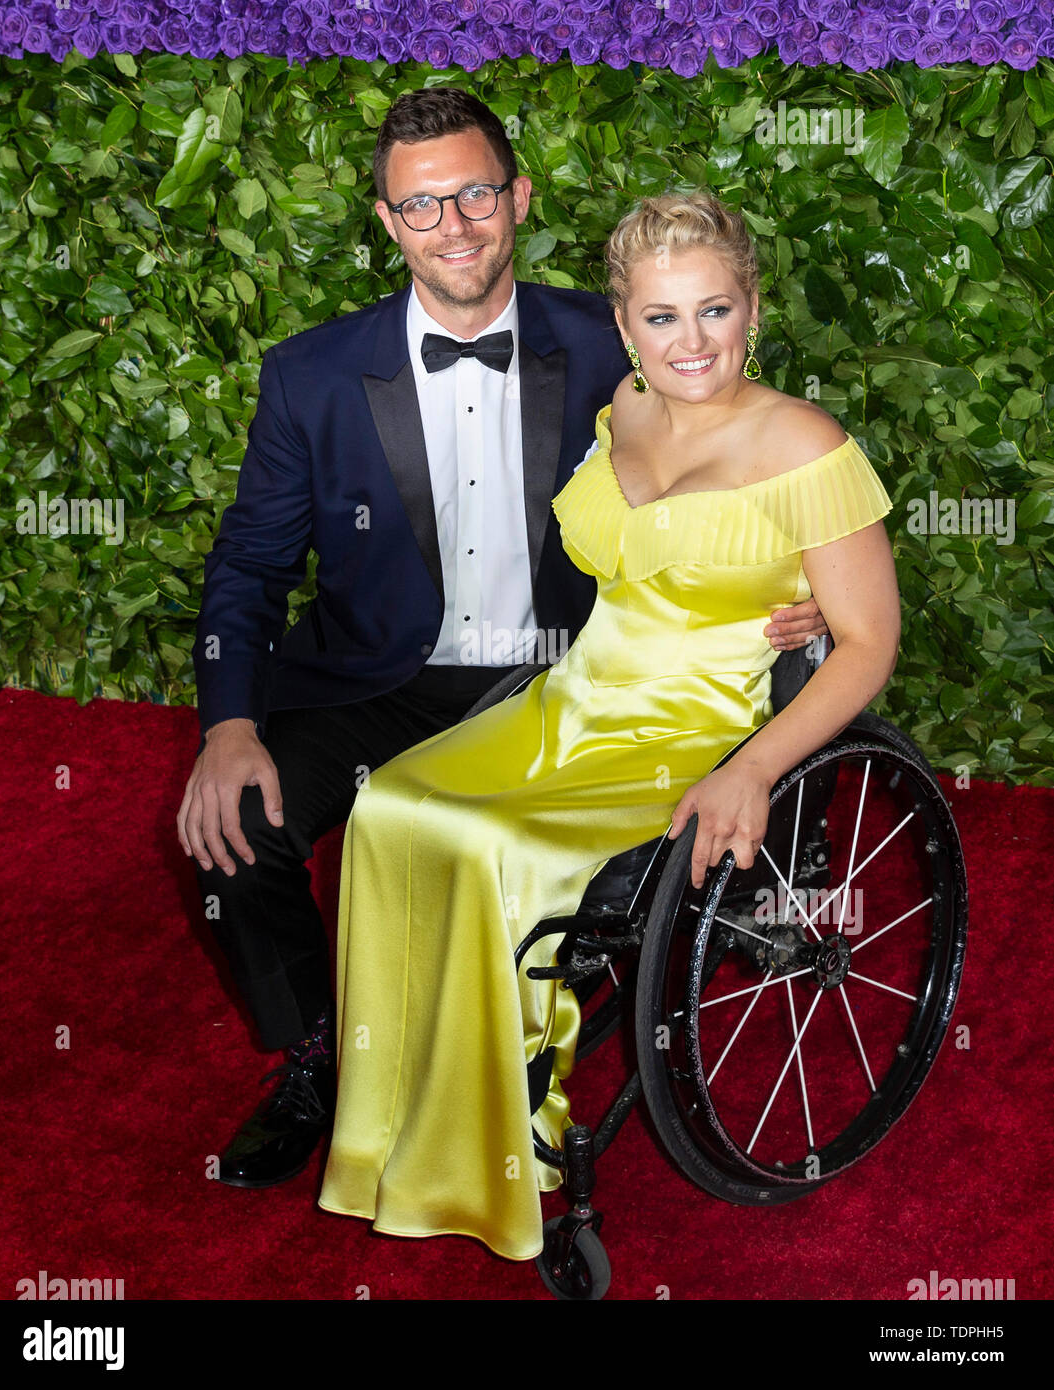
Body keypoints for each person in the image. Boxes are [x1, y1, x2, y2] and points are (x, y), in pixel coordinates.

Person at [177, 89, 827, 1190]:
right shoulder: (310, 375)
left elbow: (745, 440)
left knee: (460, 830)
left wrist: (792, 577)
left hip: (566, 673)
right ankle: (323, 1059)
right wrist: (229, 722)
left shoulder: (612, 336)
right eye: (423, 204)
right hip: (376, 678)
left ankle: (492, 1054)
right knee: (233, 820)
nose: (456, 224)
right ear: (386, 222)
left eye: (477, 192)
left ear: (517, 196)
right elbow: (250, 565)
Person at [316, 191, 901, 1261]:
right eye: (664, 317)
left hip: (695, 727)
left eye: (714, 311)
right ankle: (398, 1121)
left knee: (500, 845)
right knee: (391, 803)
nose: (692, 343)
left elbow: (869, 643)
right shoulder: (621, 412)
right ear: (624, 326)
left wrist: (755, 766)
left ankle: (500, 1145)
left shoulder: (803, 443)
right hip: (572, 699)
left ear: (753, 311)